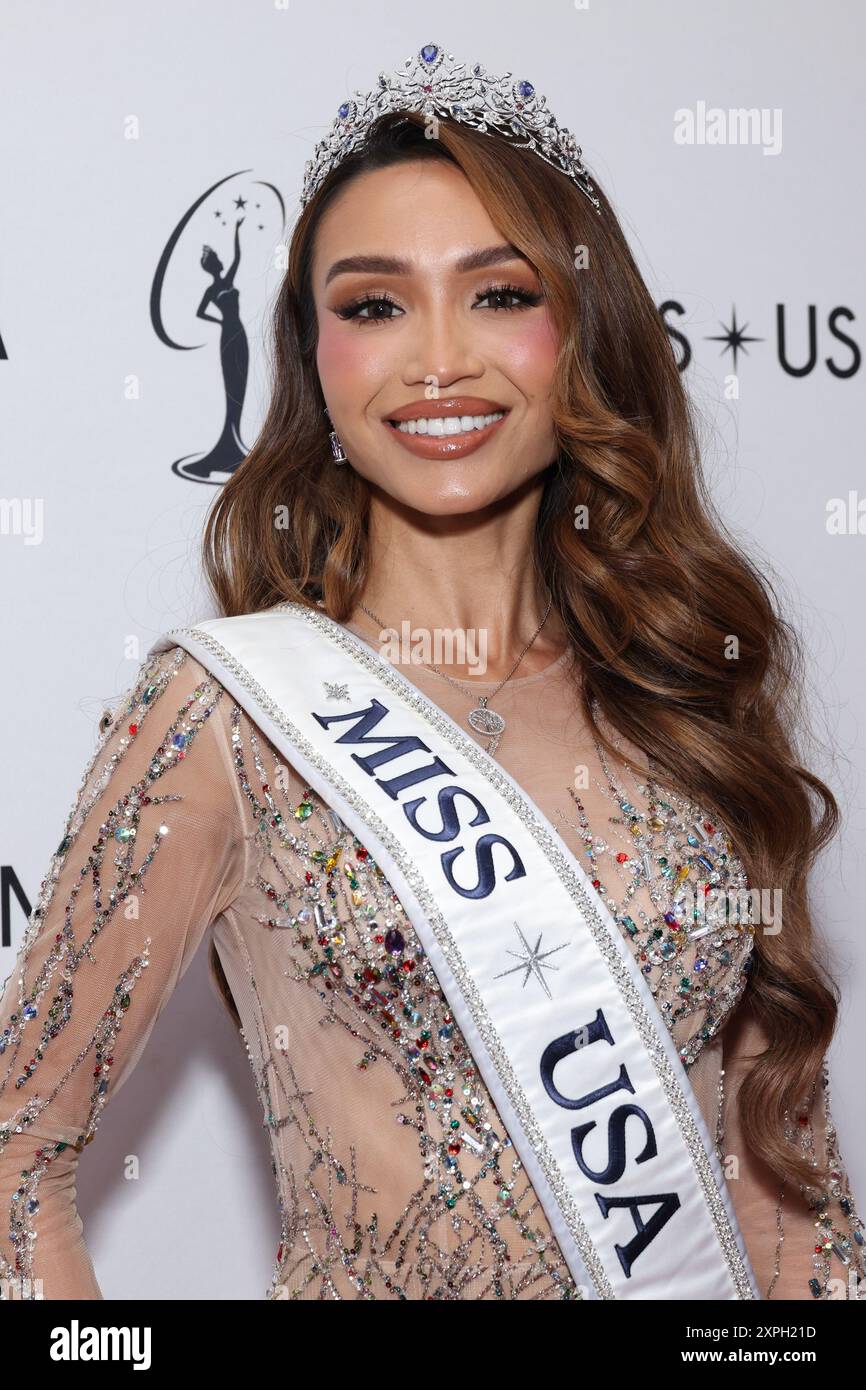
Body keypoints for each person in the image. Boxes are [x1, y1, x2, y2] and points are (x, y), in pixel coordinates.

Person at [1, 41, 863, 1302]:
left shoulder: (683, 690)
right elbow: (16, 1154)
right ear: (315, 359)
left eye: (500, 293)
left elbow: (782, 1180)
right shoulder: (230, 715)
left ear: (580, 330)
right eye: (373, 304)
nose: (439, 359)